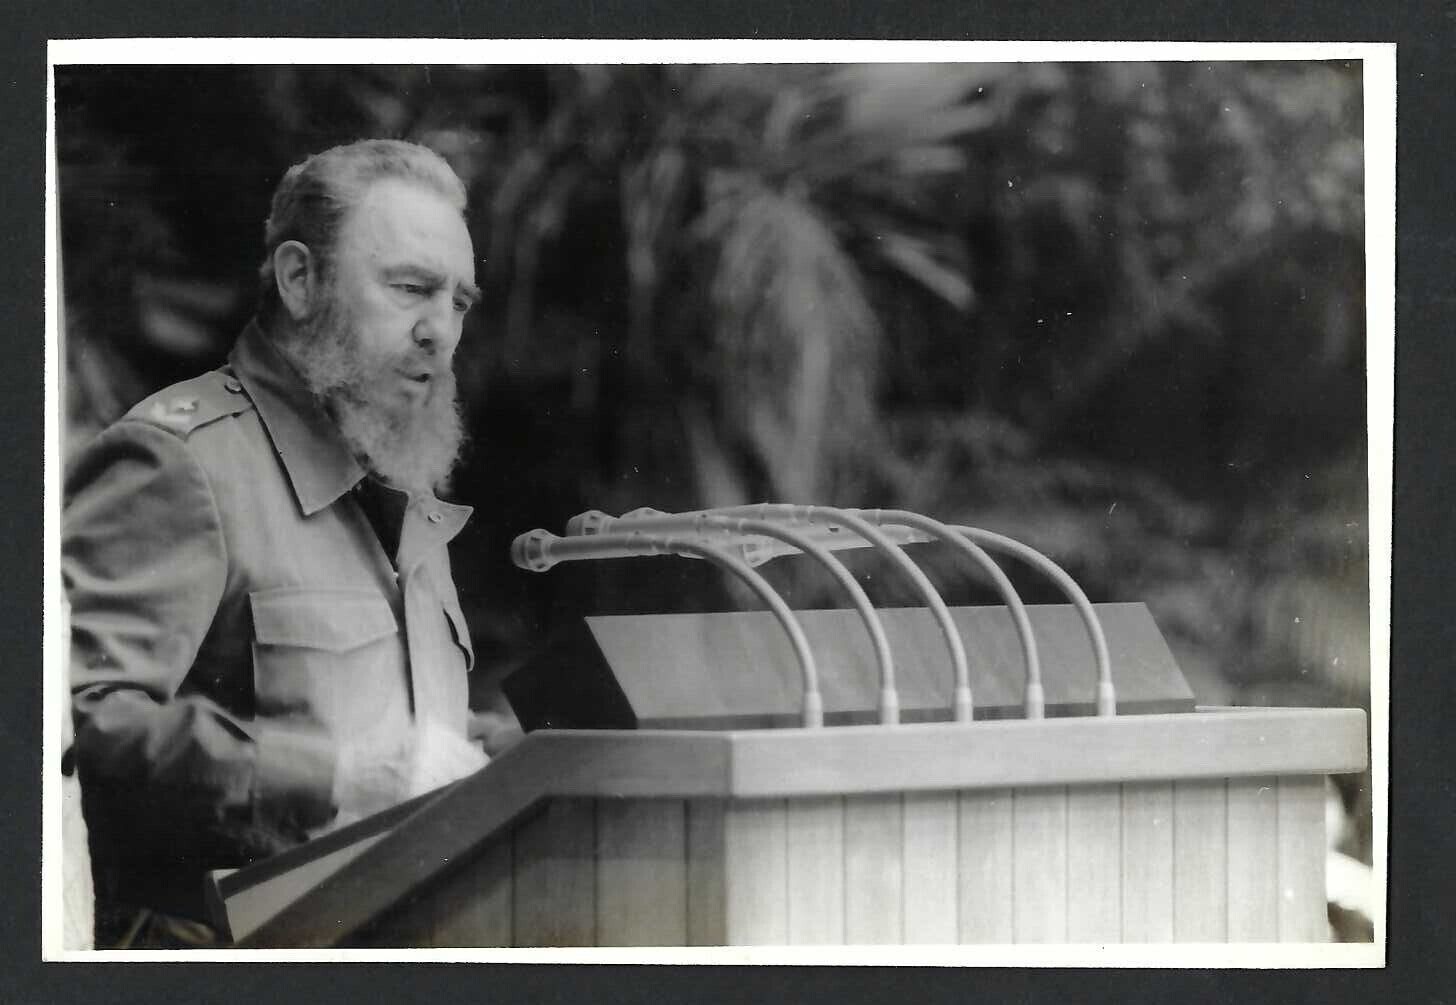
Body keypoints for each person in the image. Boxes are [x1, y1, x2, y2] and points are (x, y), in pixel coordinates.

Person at [64, 139, 498, 947]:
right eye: (411, 288)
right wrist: (329, 776)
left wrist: (503, 752)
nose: (441, 330)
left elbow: (381, 733)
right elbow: (63, 723)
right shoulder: (182, 462)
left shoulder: (396, 474)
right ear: (299, 280)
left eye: (460, 301)